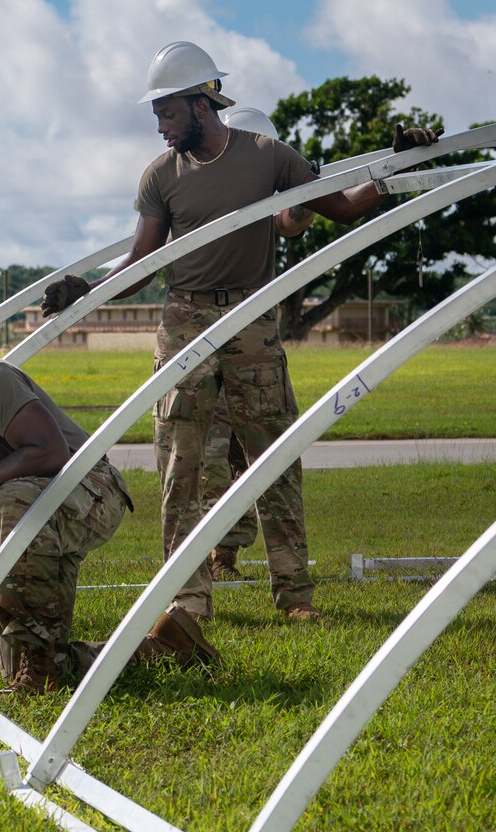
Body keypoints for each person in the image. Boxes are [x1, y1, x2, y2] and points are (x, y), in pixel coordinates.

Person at [42, 42, 438, 630]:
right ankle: (187, 599)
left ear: (203, 104)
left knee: (273, 458)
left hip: (253, 321)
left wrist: (397, 164)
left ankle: (295, 593)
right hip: (184, 323)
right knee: (181, 465)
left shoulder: (268, 156)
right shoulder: (160, 177)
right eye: (156, 113)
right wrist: (85, 289)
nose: (159, 126)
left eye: (168, 111)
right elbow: (141, 264)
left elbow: (344, 208)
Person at [0, 313, 218, 695]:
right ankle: (167, 647)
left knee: (14, 497)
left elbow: (51, 452)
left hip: (90, 488)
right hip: (29, 530)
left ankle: (40, 667)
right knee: (28, 659)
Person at [203, 104, 313, 584]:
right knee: (208, 459)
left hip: (252, 340)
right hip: (199, 341)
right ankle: (217, 556)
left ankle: (290, 583)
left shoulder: (262, 200)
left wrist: (308, 190)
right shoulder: (196, 185)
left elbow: (291, 220)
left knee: (268, 457)